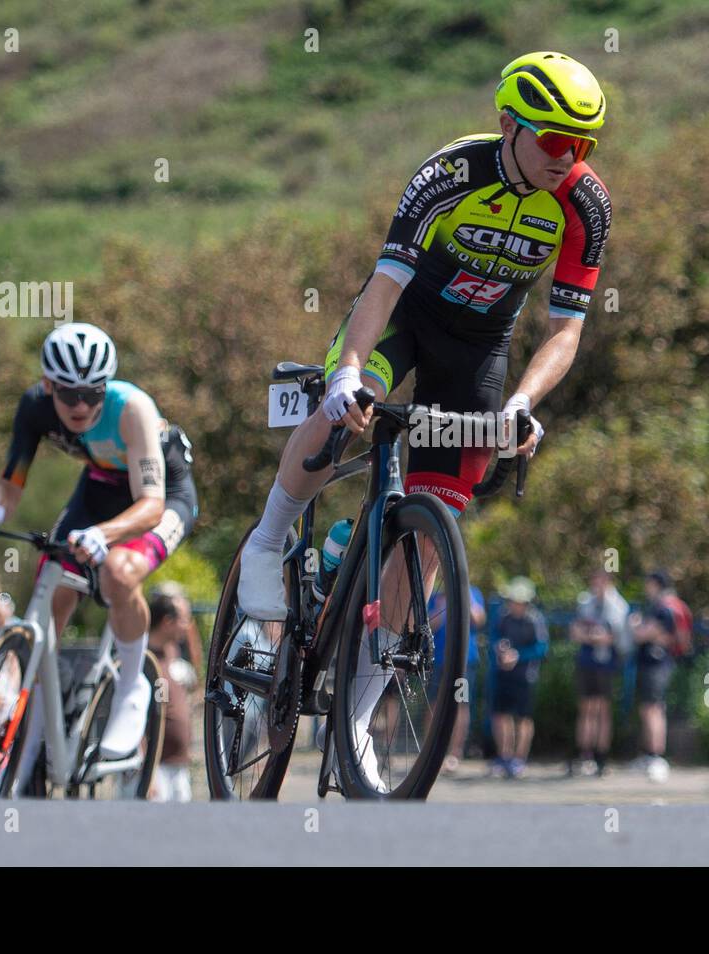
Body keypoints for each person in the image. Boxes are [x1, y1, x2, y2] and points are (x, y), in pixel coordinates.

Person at [232, 52, 612, 789]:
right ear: (510, 124)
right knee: (341, 414)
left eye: (585, 146)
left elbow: (565, 329)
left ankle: (356, 723)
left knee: (430, 535)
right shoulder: (450, 175)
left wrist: (522, 403)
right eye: (559, 142)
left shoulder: (585, 205)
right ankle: (268, 539)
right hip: (405, 320)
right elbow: (383, 287)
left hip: (478, 349)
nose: (572, 158)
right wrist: (348, 375)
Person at [0, 323, 198, 761]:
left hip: (163, 497)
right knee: (52, 579)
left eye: (93, 393)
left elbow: (150, 504)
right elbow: (11, 481)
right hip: (99, 488)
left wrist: (104, 535)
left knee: (118, 572)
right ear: (48, 384)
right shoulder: (34, 407)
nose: (81, 405)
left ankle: (132, 685)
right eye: (68, 394)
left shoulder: (132, 409)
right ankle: (32, 711)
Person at [570, 568, 630, 776]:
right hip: (587, 662)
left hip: (606, 664)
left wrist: (594, 637)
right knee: (586, 708)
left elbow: (612, 637)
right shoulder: (585, 602)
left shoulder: (618, 605)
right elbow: (576, 632)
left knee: (602, 710)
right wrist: (592, 636)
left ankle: (601, 757)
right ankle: (584, 755)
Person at [629, 570, 687, 782]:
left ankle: (657, 757)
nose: (646, 587)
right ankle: (647, 755)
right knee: (647, 709)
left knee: (655, 709)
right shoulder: (654, 607)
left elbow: (643, 634)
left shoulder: (664, 609)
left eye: (649, 583)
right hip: (647, 664)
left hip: (658, 665)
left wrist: (637, 626)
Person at [489, 577, 548, 779]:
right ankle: (503, 757)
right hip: (503, 674)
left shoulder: (535, 619)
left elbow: (542, 648)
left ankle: (519, 759)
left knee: (523, 718)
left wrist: (518, 656)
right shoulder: (503, 616)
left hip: (525, 677)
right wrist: (499, 649)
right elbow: (494, 637)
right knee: (500, 716)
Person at [429, 583, 486, 776]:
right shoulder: (435, 596)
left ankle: (455, 753)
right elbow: (427, 625)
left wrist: (466, 600)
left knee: (461, 705)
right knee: (435, 705)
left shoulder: (473, 592)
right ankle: (431, 752)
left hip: (464, 662)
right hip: (438, 661)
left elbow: (479, 620)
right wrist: (441, 609)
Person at [147, 590, 195, 803]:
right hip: (155, 769)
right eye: (184, 619)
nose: (188, 625)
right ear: (167, 622)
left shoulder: (172, 652)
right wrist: (147, 775)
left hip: (178, 767)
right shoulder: (144, 660)